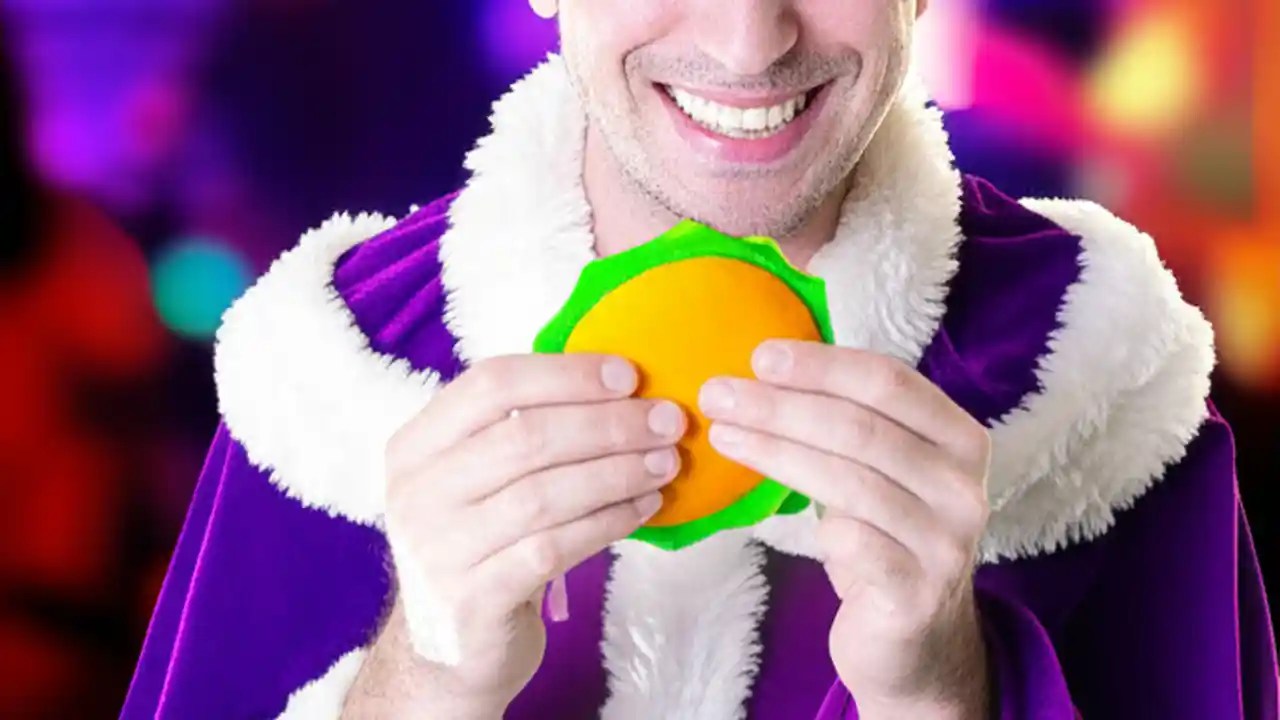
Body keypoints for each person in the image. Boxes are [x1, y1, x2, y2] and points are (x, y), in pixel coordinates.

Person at [123, 1, 1279, 718]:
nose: (746, 40)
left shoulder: (1094, 379)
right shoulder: (331, 373)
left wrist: (939, 691)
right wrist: (419, 682)